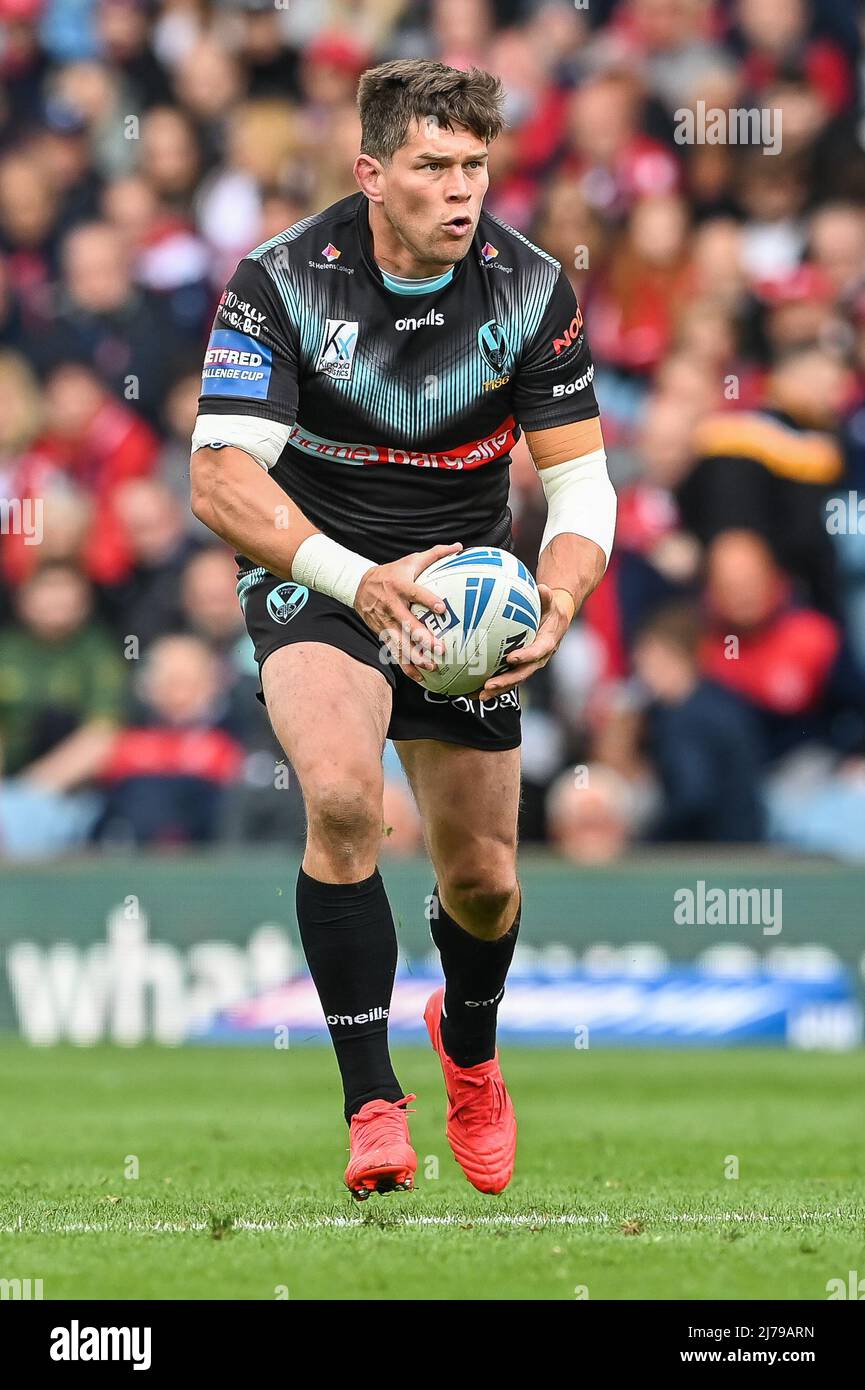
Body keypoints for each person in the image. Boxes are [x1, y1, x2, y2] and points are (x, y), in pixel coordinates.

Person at [190, 60, 616, 1199]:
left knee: (480, 880)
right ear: (372, 173)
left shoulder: (530, 290)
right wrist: (355, 576)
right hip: (319, 572)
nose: (461, 188)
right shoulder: (280, 282)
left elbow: (580, 490)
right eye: (433, 165)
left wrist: (560, 599)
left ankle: (468, 1054)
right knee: (339, 795)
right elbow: (222, 478)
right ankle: (372, 1103)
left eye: (475, 164)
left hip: (469, 591)